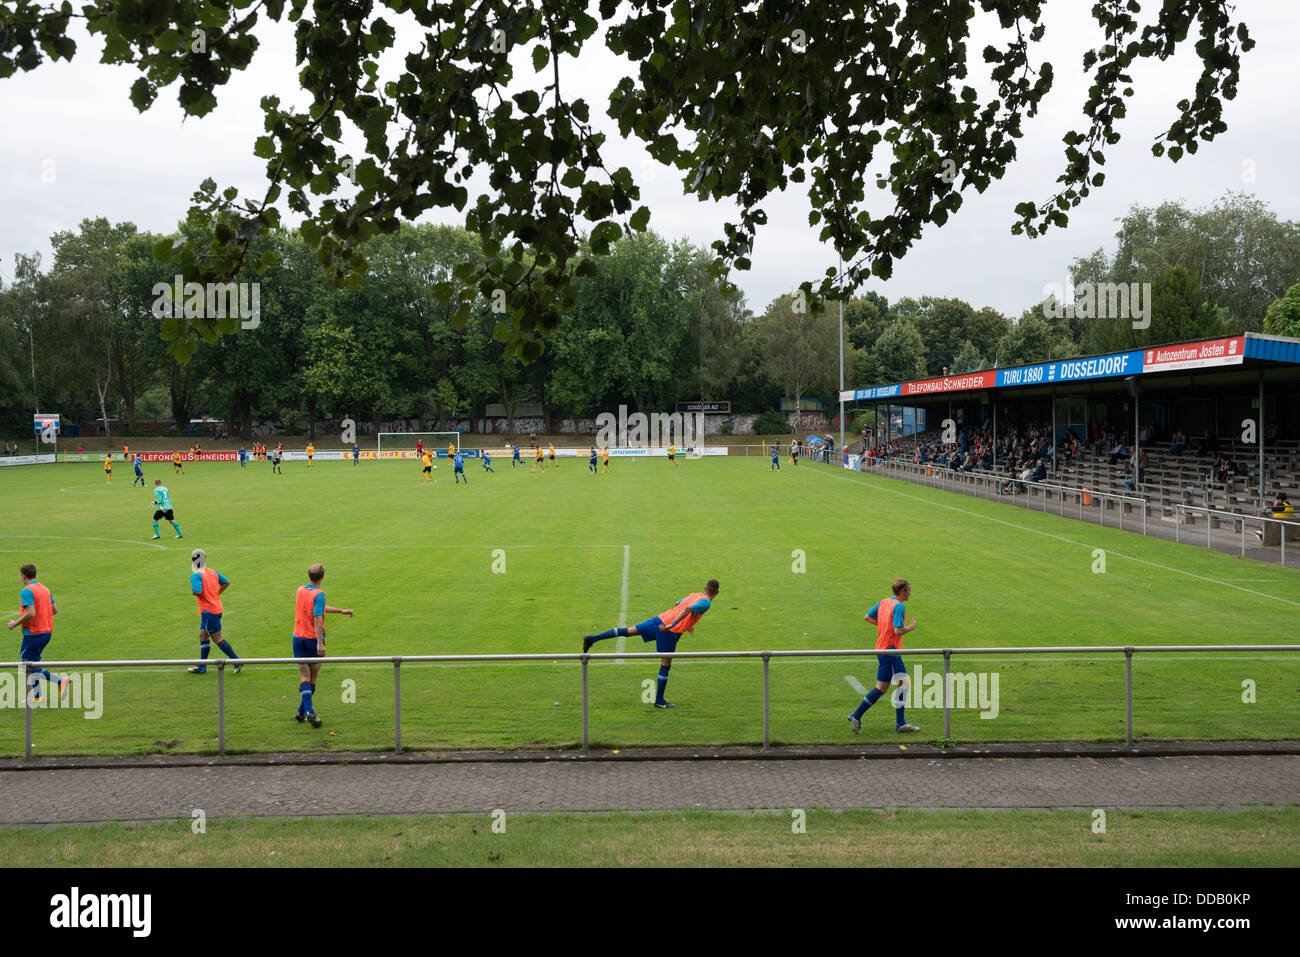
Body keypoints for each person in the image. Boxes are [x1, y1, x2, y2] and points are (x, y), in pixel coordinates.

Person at [583, 579, 719, 709]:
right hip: (669, 631)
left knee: (628, 631)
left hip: (659, 620)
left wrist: (688, 623)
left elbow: (679, 603)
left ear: (705, 588)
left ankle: (593, 639)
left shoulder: (694, 595)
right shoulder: (706, 602)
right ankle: (659, 701)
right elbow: (687, 609)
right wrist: (673, 624)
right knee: (665, 665)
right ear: (716, 593)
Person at [847, 578, 920, 734]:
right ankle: (900, 723)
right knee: (904, 684)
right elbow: (898, 630)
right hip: (891, 650)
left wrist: (883, 625)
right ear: (902, 591)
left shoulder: (884, 602)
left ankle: (856, 715)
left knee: (881, 688)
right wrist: (911, 627)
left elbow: (868, 617)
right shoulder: (899, 606)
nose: (910, 594)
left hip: (881, 649)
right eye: (909, 591)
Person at [291, 563, 353, 727]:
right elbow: (317, 617)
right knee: (313, 678)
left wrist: (340, 611)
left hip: (297, 638)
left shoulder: (300, 590)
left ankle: (301, 712)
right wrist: (320, 642)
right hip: (312, 639)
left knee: (304, 677)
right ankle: (310, 712)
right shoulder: (320, 594)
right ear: (323, 577)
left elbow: (318, 608)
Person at [7, 564, 69, 704]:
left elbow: (30, 613)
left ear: (23, 576)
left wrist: (14, 624)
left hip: (34, 634)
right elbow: (54, 610)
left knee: (26, 664)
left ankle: (60, 681)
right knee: (31, 663)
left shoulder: (27, 591)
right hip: (46, 632)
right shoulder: (45, 589)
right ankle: (37, 695)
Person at [186, 550, 241, 674]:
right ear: (204, 560)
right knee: (203, 636)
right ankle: (202, 666)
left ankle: (236, 660)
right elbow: (226, 582)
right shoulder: (213, 572)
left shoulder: (196, 575)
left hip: (209, 611)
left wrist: (194, 592)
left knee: (218, 639)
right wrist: (216, 594)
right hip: (215, 608)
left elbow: (198, 591)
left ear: (194, 561)